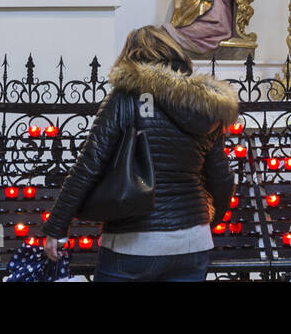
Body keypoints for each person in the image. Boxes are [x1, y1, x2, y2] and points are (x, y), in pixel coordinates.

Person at [42, 26, 239, 281]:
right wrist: (208, 222)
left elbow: (89, 165)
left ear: (132, 56)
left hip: (132, 242)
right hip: (192, 242)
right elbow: (222, 177)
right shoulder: (205, 105)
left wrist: (57, 226)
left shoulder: (126, 98)